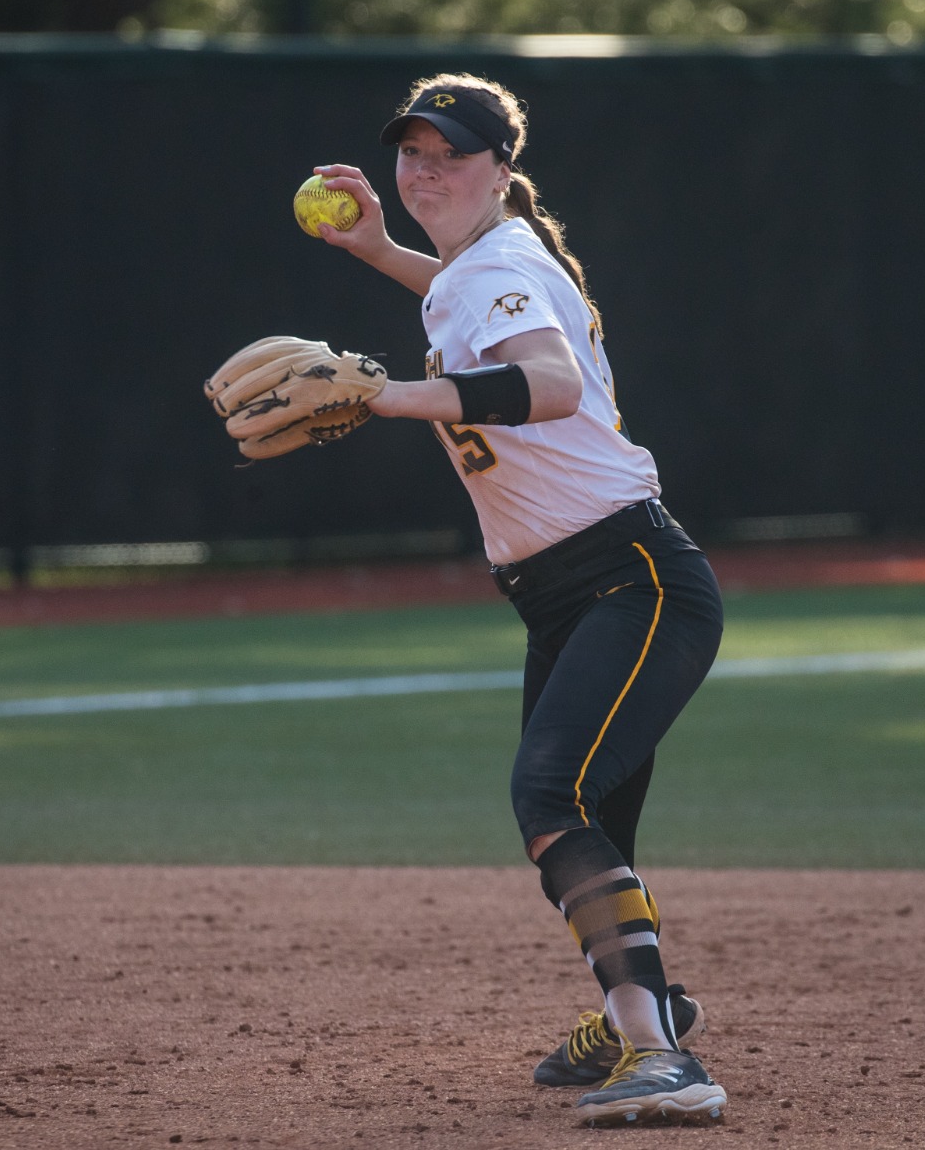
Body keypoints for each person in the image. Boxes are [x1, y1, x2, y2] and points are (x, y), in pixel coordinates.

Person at [310, 74, 728, 1125]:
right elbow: (462, 297)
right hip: (567, 592)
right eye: (410, 154)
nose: (423, 171)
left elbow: (547, 384)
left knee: (549, 798)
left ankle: (661, 1059)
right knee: (585, 818)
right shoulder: (475, 268)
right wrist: (372, 250)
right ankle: (647, 1010)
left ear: (500, 167)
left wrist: (390, 396)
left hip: (630, 581)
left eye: (449, 153)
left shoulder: (495, 265)